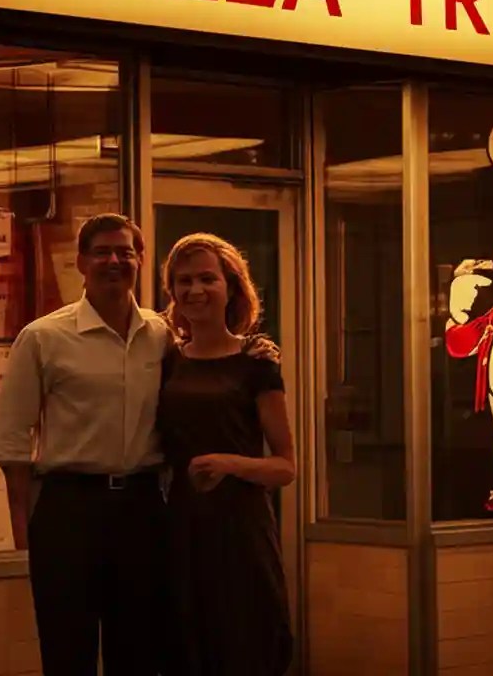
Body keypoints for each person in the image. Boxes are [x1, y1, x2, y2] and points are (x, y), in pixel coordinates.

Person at [0, 213, 170, 676]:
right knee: (68, 649)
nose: (114, 261)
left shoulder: (163, 336)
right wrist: (24, 532)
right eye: (102, 252)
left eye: (125, 252)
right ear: (81, 262)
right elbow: (12, 441)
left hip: (142, 510)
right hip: (68, 510)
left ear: (140, 259)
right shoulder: (43, 337)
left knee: (140, 650)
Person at [157, 232, 297, 676]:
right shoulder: (167, 360)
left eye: (207, 278)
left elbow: (286, 466)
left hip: (241, 529)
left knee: (244, 645)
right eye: (183, 281)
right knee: (186, 649)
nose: (195, 290)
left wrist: (229, 464)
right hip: (181, 527)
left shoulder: (256, 362)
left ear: (232, 287)